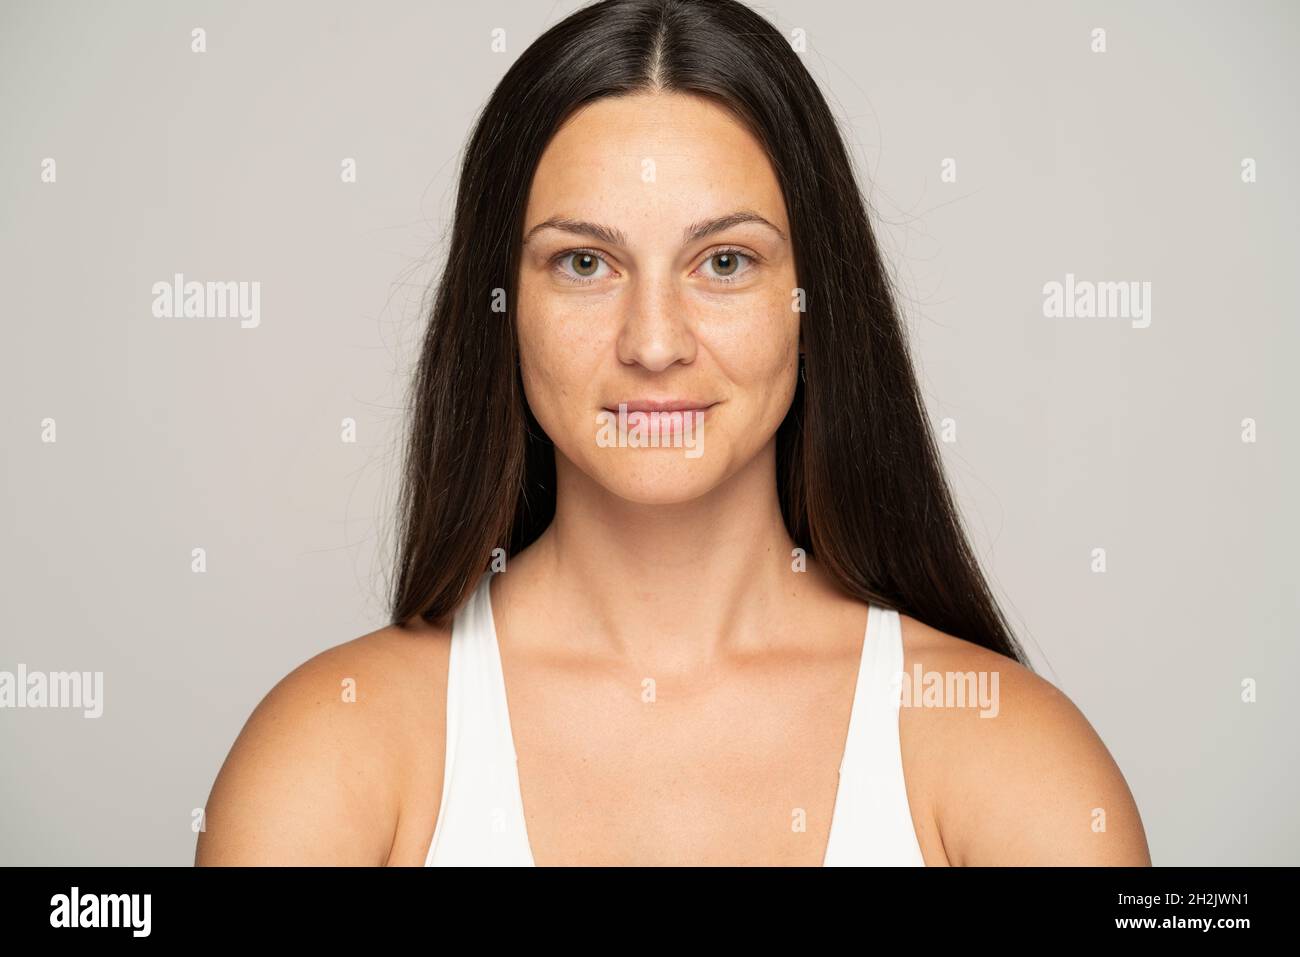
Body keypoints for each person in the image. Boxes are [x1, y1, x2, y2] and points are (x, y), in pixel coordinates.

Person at [196, 0, 1151, 866]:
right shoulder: (328, 754)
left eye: (725, 261)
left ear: (812, 301)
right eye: (582, 262)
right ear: (501, 307)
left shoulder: (1011, 758)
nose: (653, 343)